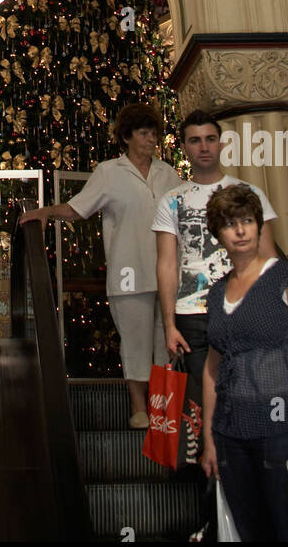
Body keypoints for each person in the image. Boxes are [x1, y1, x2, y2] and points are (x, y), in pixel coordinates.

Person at [20, 103, 180, 427]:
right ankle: (139, 407)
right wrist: (46, 211)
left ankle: (165, 410)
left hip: (168, 273)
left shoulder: (168, 173)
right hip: (128, 273)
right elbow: (78, 208)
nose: (151, 140)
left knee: (167, 344)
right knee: (135, 343)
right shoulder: (109, 172)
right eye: (144, 133)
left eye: (154, 133)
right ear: (127, 137)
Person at [200, 184, 288, 542]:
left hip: (283, 428)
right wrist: (209, 437)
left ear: (259, 225)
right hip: (229, 432)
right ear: (218, 235)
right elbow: (212, 369)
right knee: (249, 531)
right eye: (230, 224)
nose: (240, 231)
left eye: (247, 221)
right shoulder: (216, 292)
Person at [153, 109, 278, 384]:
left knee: (248, 388)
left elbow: (268, 257)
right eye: (195, 140)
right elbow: (166, 265)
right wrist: (169, 325)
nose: (204, 146)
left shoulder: (250, 193)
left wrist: (270, 310)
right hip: (192, 313)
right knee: (203, 396)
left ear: (221, 144)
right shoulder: (171, 200)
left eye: (210, 139)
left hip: (244, 306)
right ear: (184, 147)